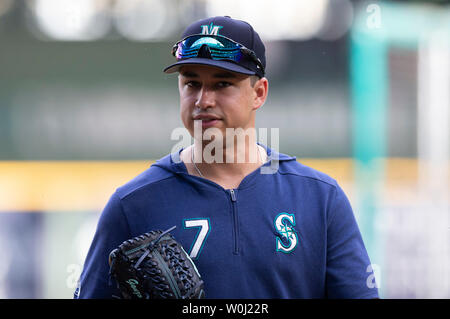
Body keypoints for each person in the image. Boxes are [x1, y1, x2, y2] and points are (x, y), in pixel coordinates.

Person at [75, 16, 379, 299]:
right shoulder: (133, 205)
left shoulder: (320, 199)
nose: (203, 100)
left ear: (258, 93)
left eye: (223, 83)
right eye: (192, 83)